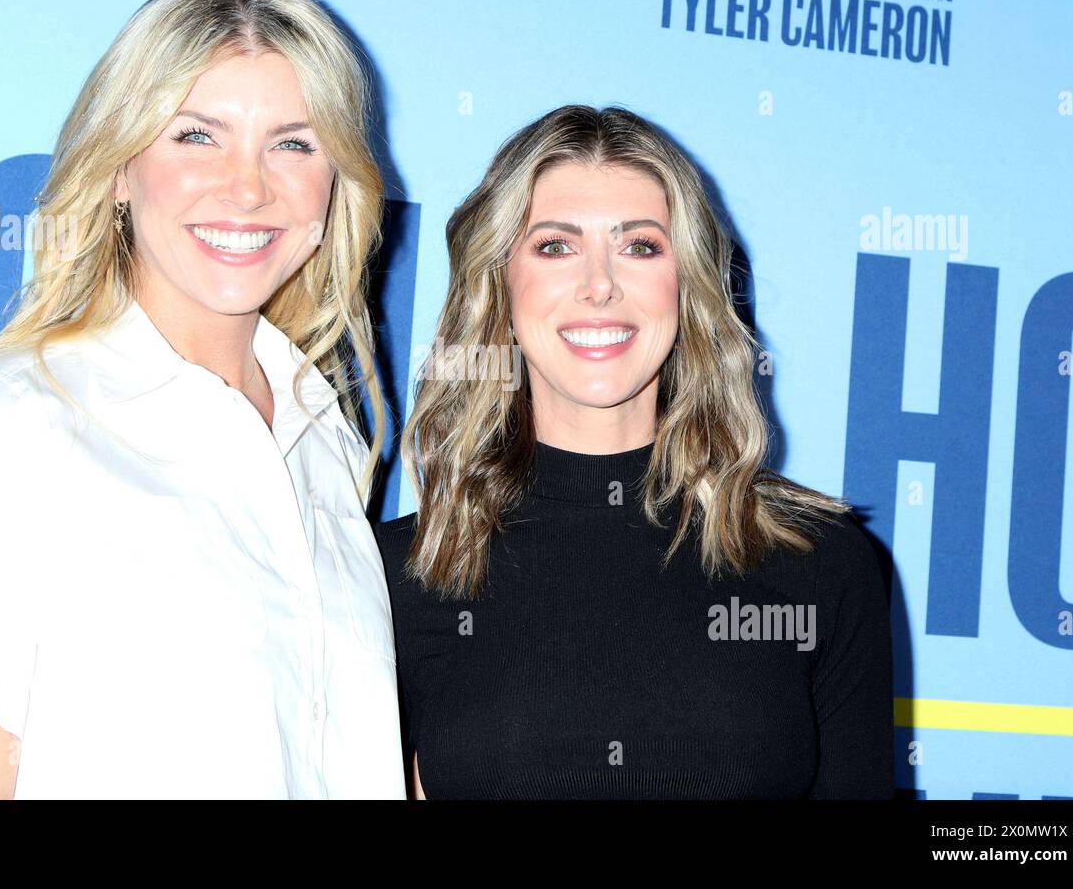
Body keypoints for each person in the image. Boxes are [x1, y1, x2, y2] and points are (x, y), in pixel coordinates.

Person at [0, 0, 403, 798]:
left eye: (294, 143)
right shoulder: (2, 427)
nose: (247, 187)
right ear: (120, 168)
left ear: (334, 184)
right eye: (198, 135)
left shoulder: (327, 443)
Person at [376, 105, 894, 799]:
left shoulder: (819, 564)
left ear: (689, 285)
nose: (599, 283)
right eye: (555, 246)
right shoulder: (399, 576)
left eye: (640, 247)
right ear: (499, 284)